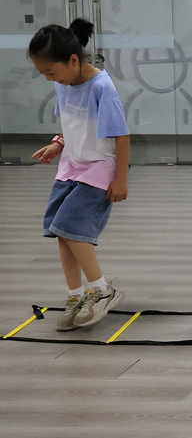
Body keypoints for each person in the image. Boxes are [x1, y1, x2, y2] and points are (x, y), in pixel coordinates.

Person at [29, 20, 130, 331]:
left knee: (72, 227)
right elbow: (73, 125)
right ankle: (76, 295)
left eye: (50, 72)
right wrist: (58, 144)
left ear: (73, 60)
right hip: (71, 166)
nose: (49, 79)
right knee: (60, 230)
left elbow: (121, 135)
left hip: (99, 169)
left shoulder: (102, 87)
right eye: (43, 73)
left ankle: (101, 291)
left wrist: (121, 179)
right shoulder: (64, 83)